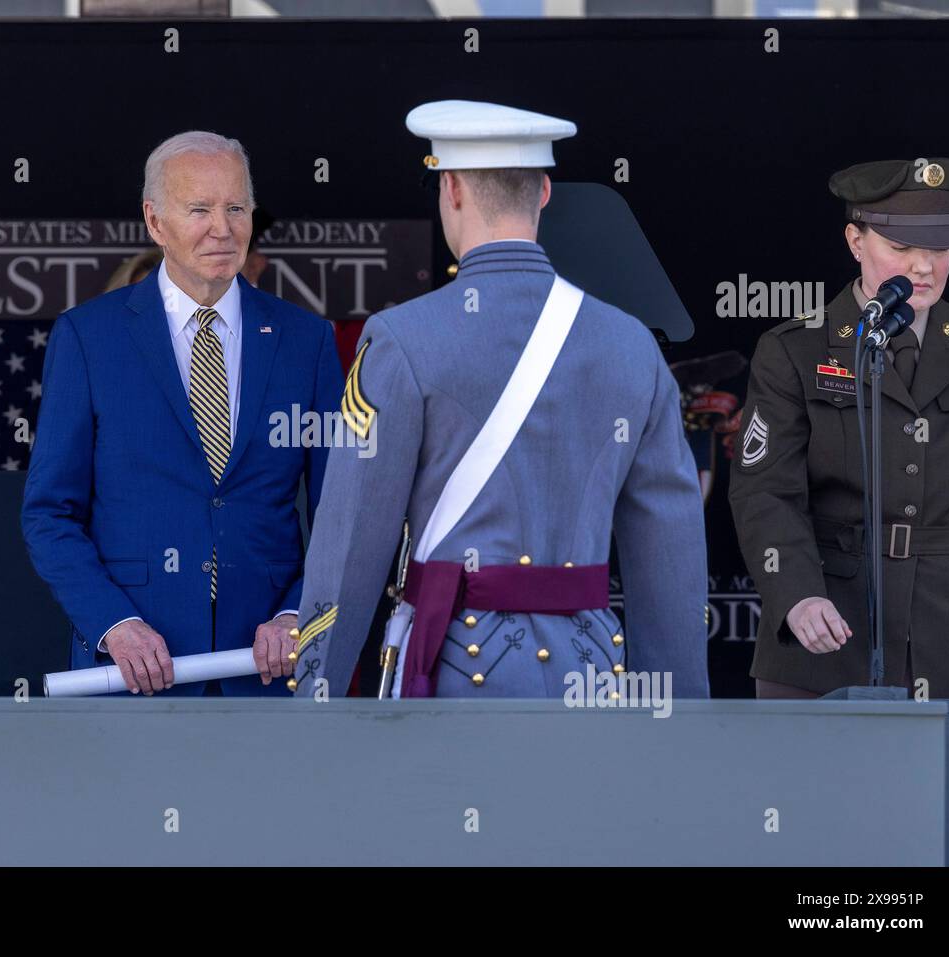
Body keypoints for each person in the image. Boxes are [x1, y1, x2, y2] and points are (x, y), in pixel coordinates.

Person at [289, 100, 709, 698]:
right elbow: (669, 557)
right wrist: (680, 715)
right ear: (542, 192)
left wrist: (316, 691)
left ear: (452, 188)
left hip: (454, 673)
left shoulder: (402, 338)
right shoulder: (631, 344)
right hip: (592, 677)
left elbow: (352, 541)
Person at [23, 130, 344, 696]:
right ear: (154, 222)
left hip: (267, 675)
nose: (222, 228)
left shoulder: (307, 341)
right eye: (200, 209)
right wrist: (115, 625)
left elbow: (341, 514)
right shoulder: (88, 338)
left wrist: (299, 613)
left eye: (236, 208)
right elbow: (50, 514)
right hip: (131, 676)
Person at [730, 158, 949, 698]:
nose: (923, 268)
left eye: (938, 249)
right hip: (831, 630)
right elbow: (765, 489)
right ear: (854, 241)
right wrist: (795, 595)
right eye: (901, 248)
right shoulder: (796, 348)